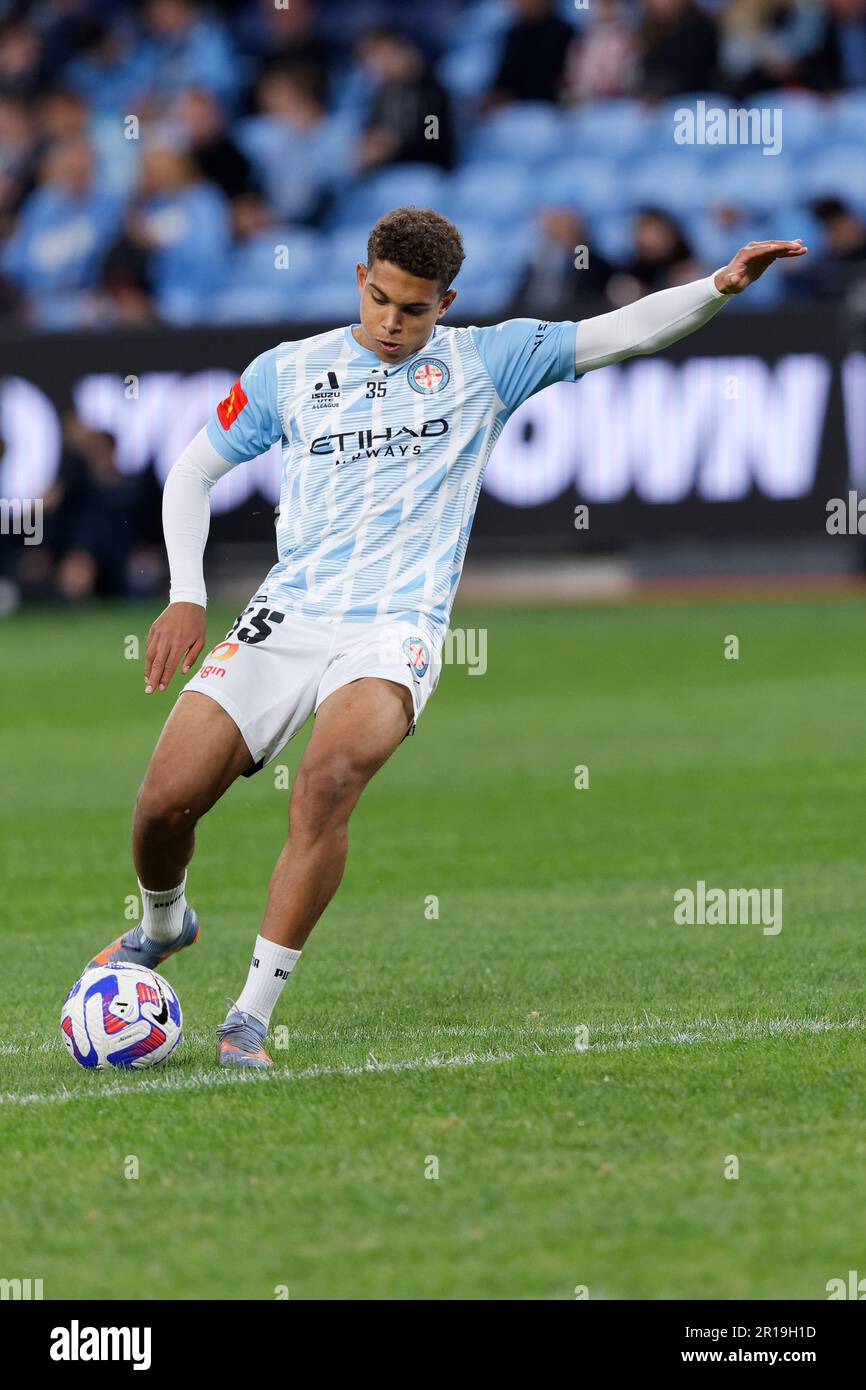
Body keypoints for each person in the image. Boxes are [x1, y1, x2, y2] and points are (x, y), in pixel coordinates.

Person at [86, 206, 806, 1068]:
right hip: (289, 614)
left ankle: (248, 1018)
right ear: (362, 279)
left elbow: (622, 331)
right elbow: (193, 470)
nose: (394, 324)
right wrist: (186, 595)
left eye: (416, 310)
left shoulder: (487, 362)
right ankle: (166, 923)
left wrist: (719, 285)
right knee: (164, 803)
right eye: (382, 300)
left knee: (329, 778)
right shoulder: (290, 371)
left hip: (396, 627)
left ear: (447, 302)